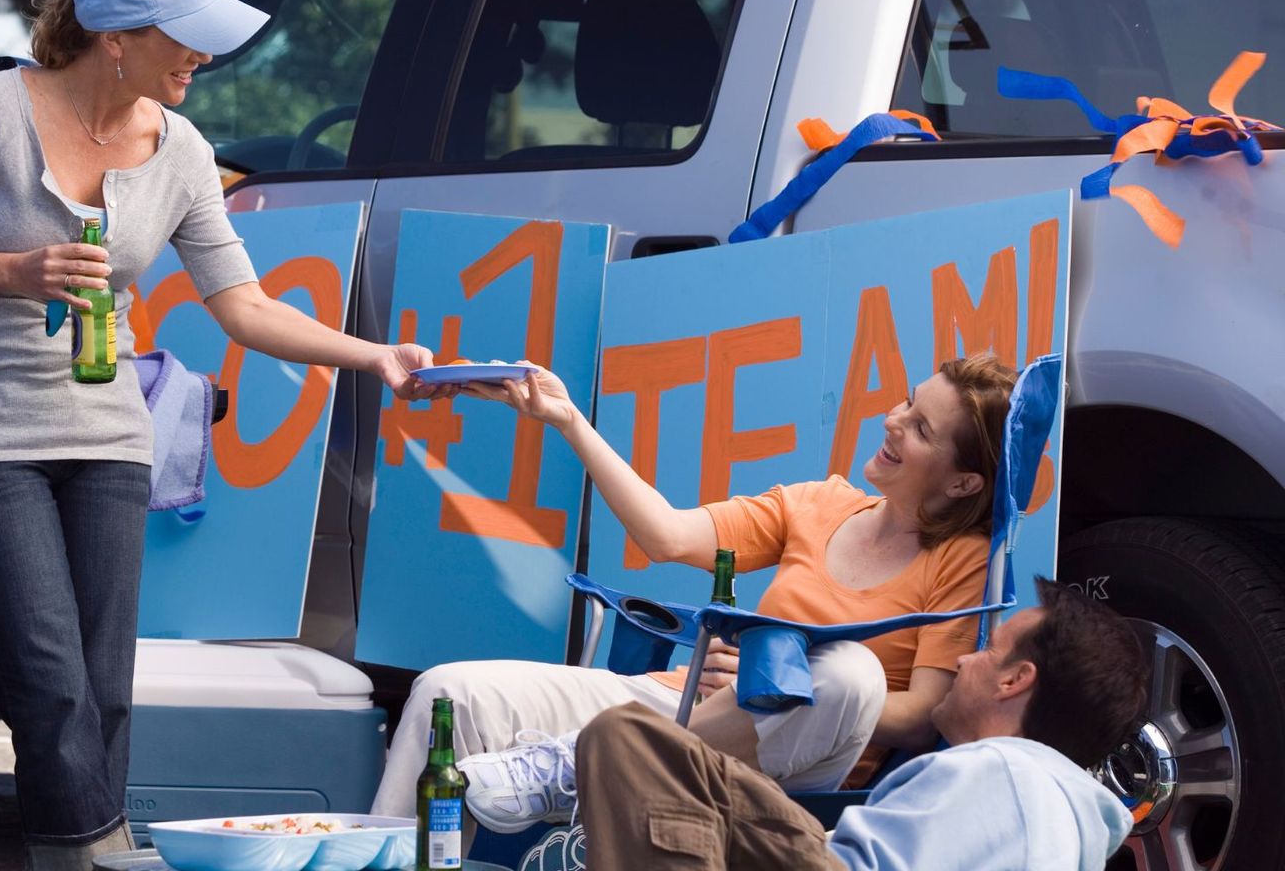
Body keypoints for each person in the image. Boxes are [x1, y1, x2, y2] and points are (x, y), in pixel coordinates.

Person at [0, 0, 440, 871]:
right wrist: (15, 274)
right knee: (45, 679)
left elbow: (246, 305)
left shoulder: (178, 151)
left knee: (104, 683)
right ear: (115, 36)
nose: (200, 60)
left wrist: (370, 356)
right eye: (185, 38)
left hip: (106, 429)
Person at [371, 354, 1019, 830]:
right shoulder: (819, 503)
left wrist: (782, 683)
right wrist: (568, 420)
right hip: (681, 706)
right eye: (907, 402)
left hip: (794, 766)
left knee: (849, 673)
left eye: (922, 427)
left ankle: (581, 762)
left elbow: (923, 713)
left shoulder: (959, 560)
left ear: (964, 483)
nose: (893, 419)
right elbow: (666, 535)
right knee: (447, 693)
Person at [575, 580, 1146, 871]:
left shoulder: (1004, 769)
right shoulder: (1058, 810)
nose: (966, 659)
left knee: (633, 741)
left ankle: (558, 766)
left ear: (1013, 680)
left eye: (988, 650)